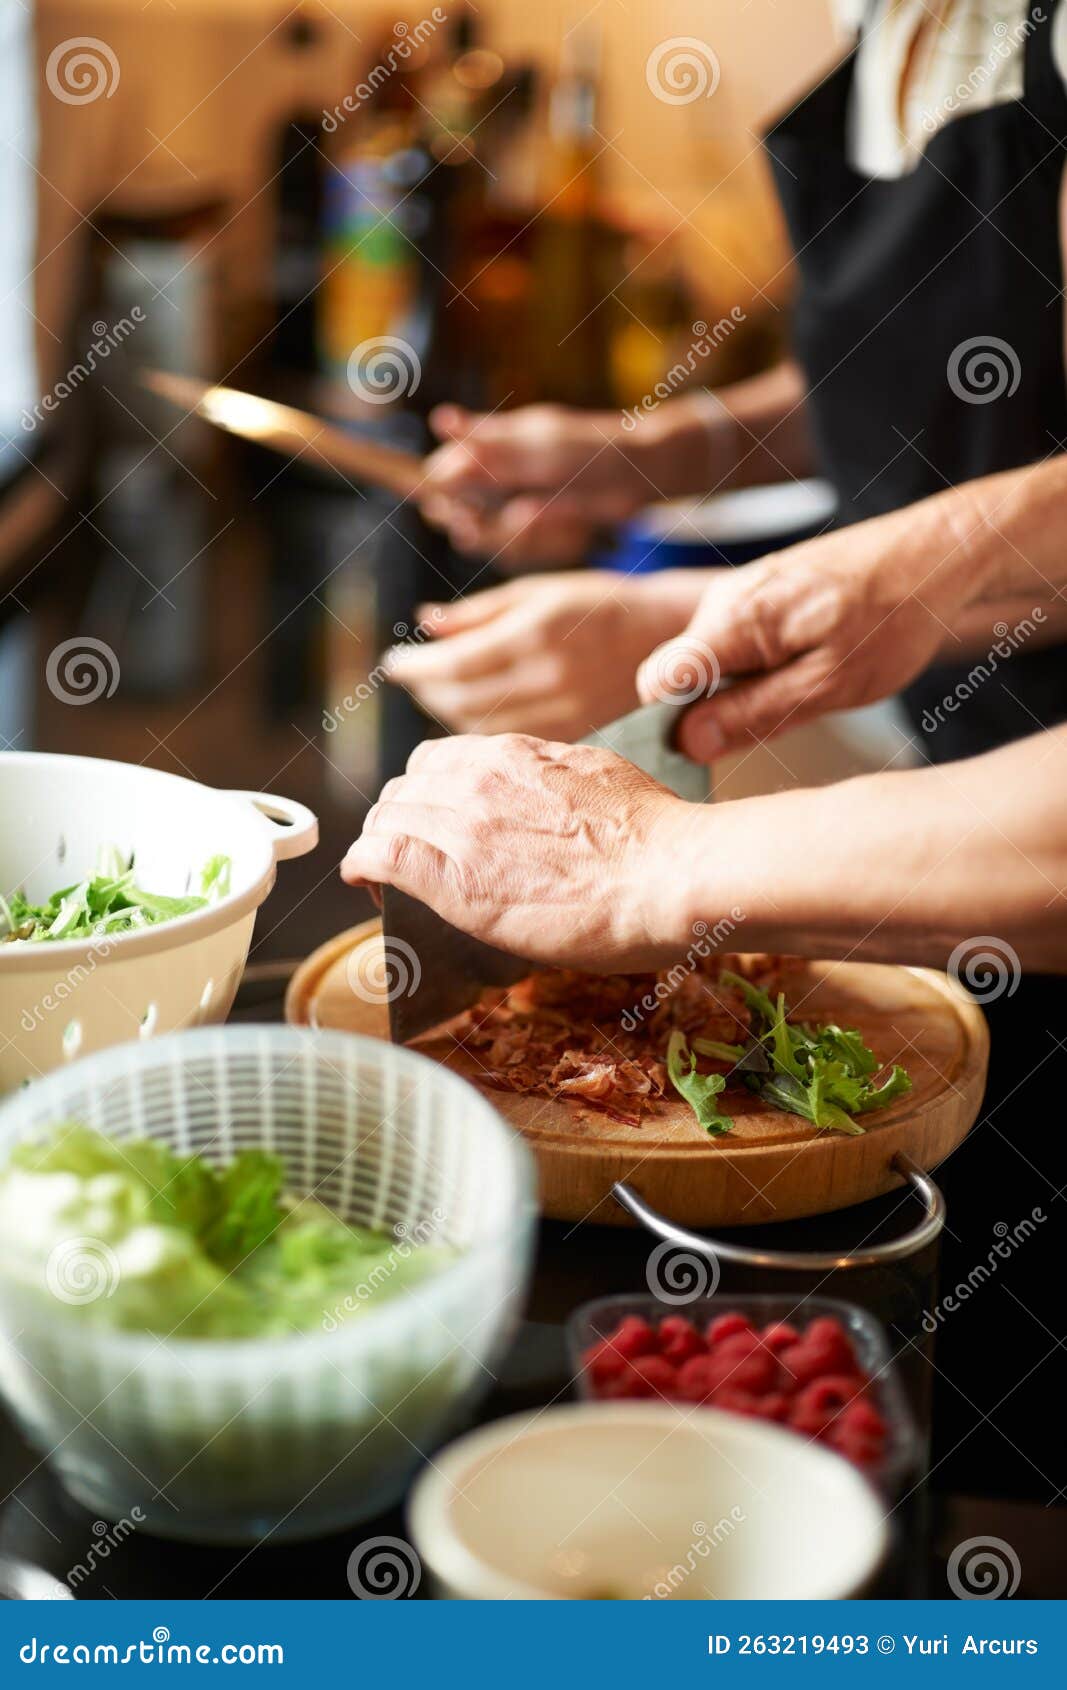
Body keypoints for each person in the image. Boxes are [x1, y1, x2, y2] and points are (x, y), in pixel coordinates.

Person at [343, 0, 1067, 1508]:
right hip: (964, 842)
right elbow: (934, 386)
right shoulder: (906, 25)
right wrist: (657, 460)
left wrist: (662, 859)